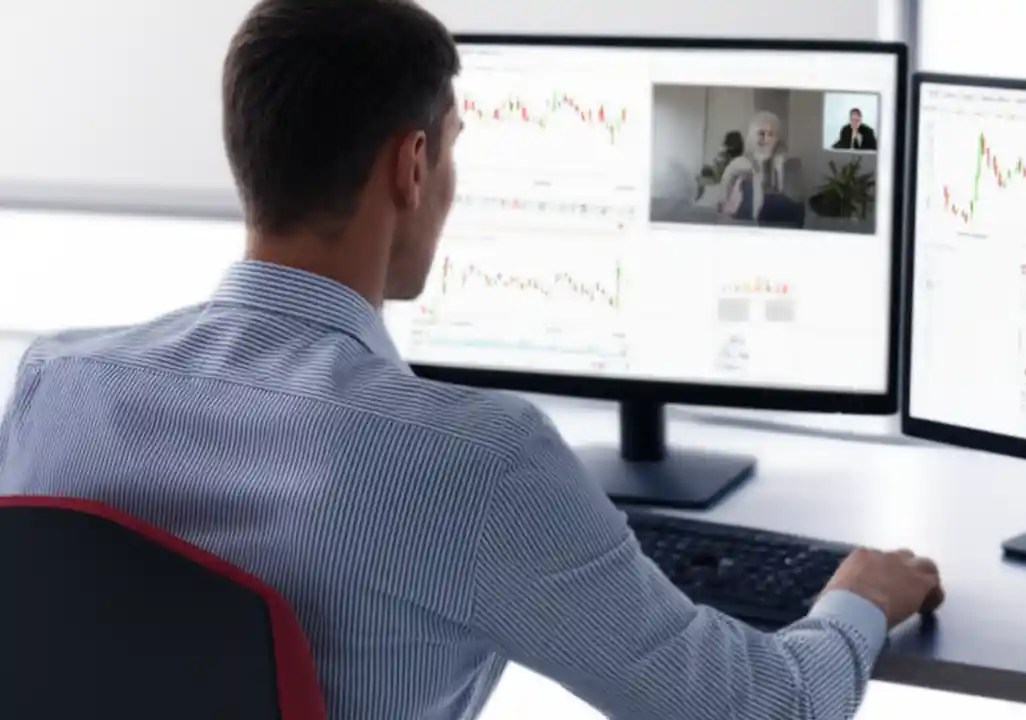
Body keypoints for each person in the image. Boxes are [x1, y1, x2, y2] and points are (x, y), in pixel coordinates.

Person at [0, 2, 943, 718]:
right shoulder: (473, 459)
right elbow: (754, 706)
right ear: (411, 168)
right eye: (452, 151)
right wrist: (855, 601)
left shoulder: (56, 387)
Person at [723, 111, 806, 228]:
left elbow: (797, 204)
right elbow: (726, 199)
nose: (766, 139)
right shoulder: (738, 165)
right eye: (761, 133)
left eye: (771, 134)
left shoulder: (789, 164)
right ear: (752, 136)